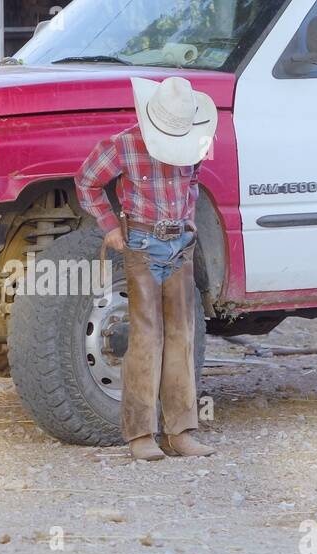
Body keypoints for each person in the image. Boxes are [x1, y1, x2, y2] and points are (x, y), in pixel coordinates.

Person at [74, 76, 218, 461]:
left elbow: (194, 182)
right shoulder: (123, 145)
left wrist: (188, 221)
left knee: (182, 335)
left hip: (179, 243)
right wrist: (110, 228)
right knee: (146, 336)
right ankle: (140, 434)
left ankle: (181, 430)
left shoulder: (192, 142)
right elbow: (87, 182)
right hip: (141, 242)